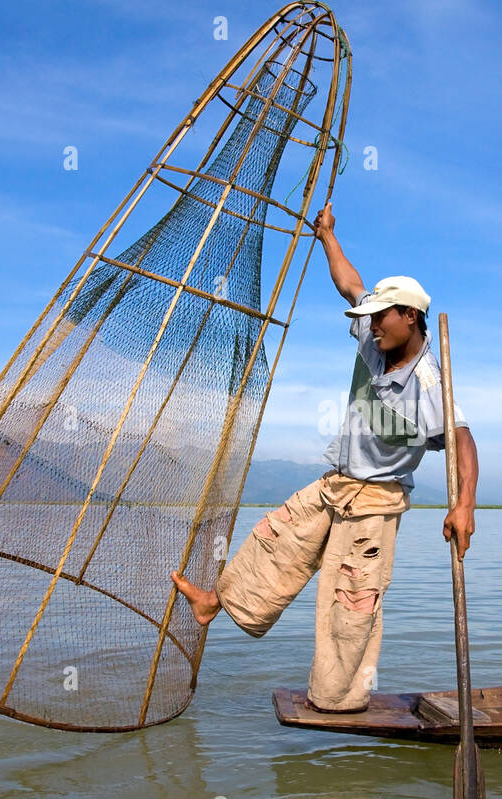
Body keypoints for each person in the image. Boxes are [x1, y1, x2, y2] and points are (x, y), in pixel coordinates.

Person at [171, 201, 479, 713]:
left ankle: (337, 701)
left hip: (376, 505)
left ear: (411, 316)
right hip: (337, 483)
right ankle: (215, 602)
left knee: (350, 605)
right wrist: (327, 236)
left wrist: (464, 503)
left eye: (381, 317)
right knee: (274, 537)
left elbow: (464, 442)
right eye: (370, 318)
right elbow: (349, 284)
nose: (372, 325)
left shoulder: (429, 385)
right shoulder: (372, 338)